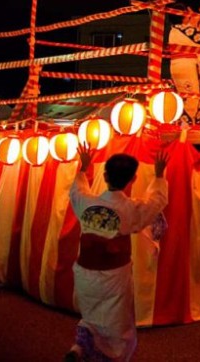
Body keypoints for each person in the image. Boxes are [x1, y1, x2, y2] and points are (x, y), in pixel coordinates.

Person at [66, 145, 169, 362]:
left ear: (105, 176)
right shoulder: (130, 209)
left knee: (90, 315)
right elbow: (156, 202)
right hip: (114, 276)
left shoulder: (87, 203)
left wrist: (83, 168)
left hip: (84, 272)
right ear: (133, 179)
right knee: (116, 326)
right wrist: (159, 176)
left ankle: (79, 348)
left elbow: (76, 190)